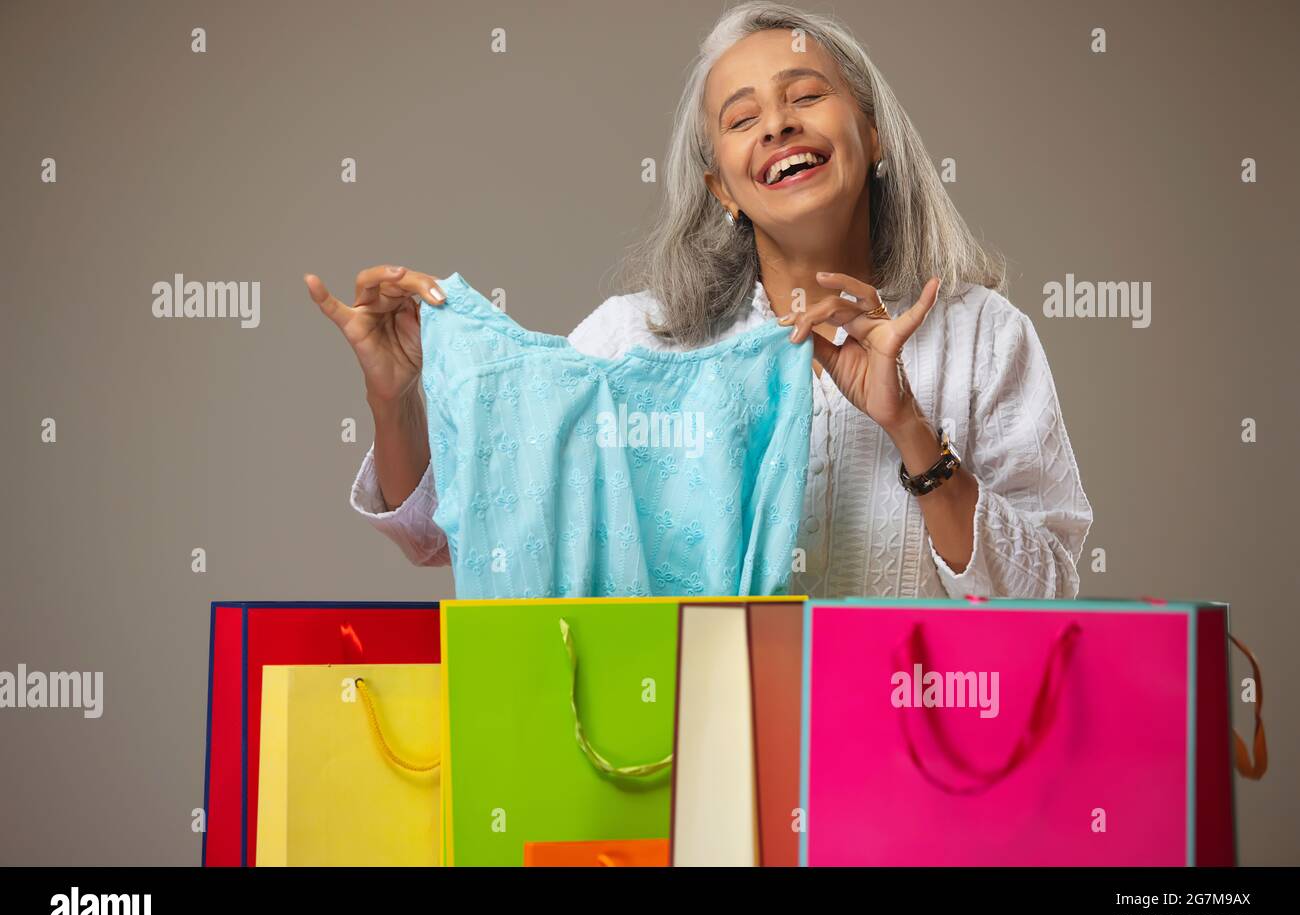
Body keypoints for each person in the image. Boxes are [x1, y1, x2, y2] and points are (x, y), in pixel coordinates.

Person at [304, 1, 1092, 599]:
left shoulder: (985, 337)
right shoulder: (637, 344)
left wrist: (909, 430)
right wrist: (396, 397)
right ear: (722, 187)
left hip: (913, 789)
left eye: (806, 95)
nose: (778, 124)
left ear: (874, 134)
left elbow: (1049, 598)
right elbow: (451, 526)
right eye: (742, 118)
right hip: (690, 785)